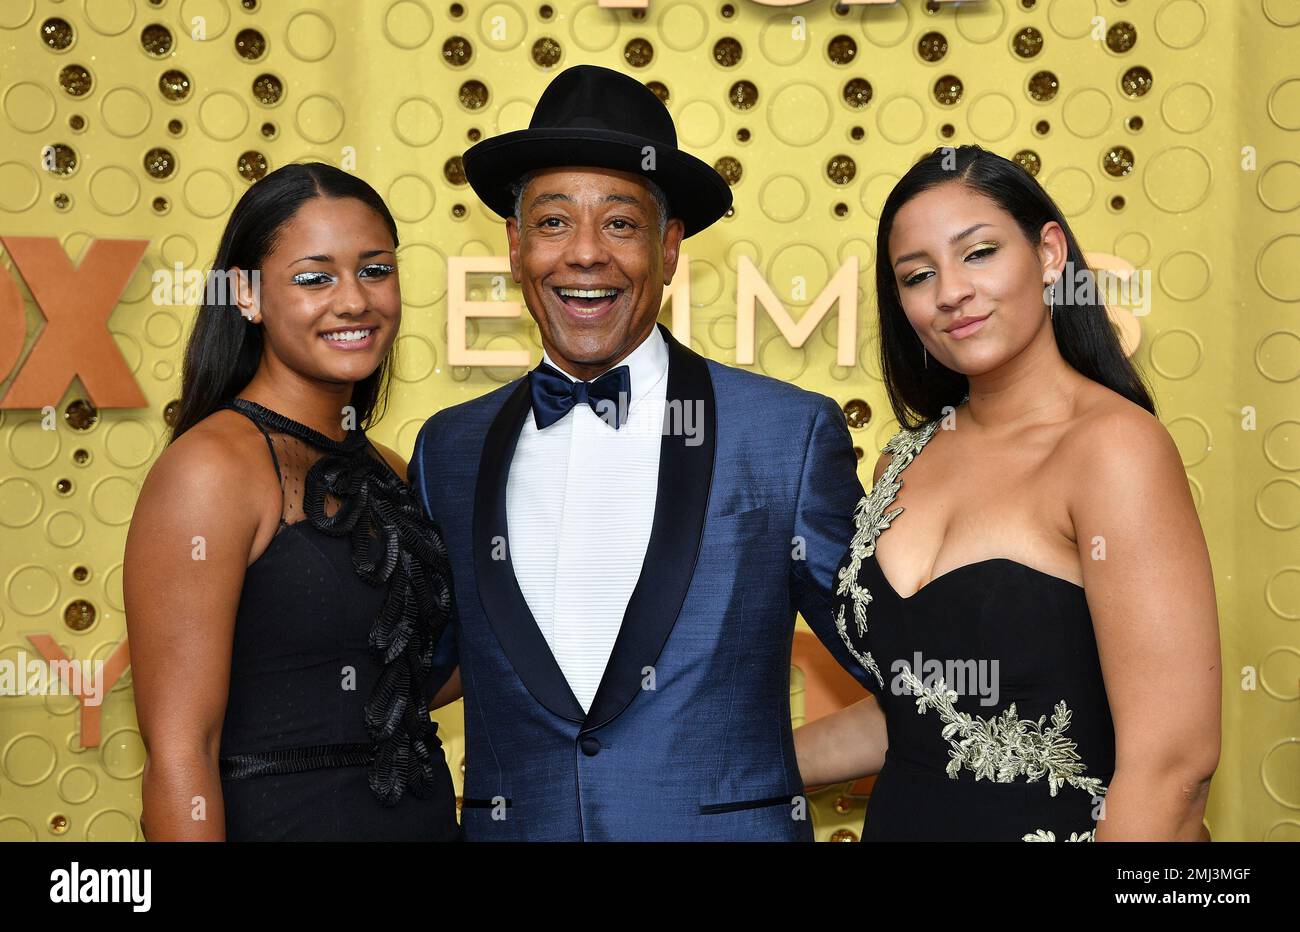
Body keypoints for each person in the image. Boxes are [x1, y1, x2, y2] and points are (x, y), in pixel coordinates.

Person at [407, 64, 875, 840]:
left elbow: (902, 664)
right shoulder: (447, 451)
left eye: (620, 224)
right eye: (554, 222)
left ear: (669, 246)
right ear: (516, 244)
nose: (585, 254)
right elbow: (411, 674)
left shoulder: (784, 437)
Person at [794, 145, 1221, 841]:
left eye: (979, 253)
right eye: (918, 275)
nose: (950, 292)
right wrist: (725, 767)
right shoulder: (900, 462)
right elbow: (918, 714)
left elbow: (1172, 770)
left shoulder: (1113, 449)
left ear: (1049, 254)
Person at [124, 163, 461, 841]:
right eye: (315, 277)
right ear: (246, 294)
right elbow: (181, 752)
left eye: (375, 270)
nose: (354, 301)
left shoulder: (388, 467)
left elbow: (402, 682)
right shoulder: (212, 468)